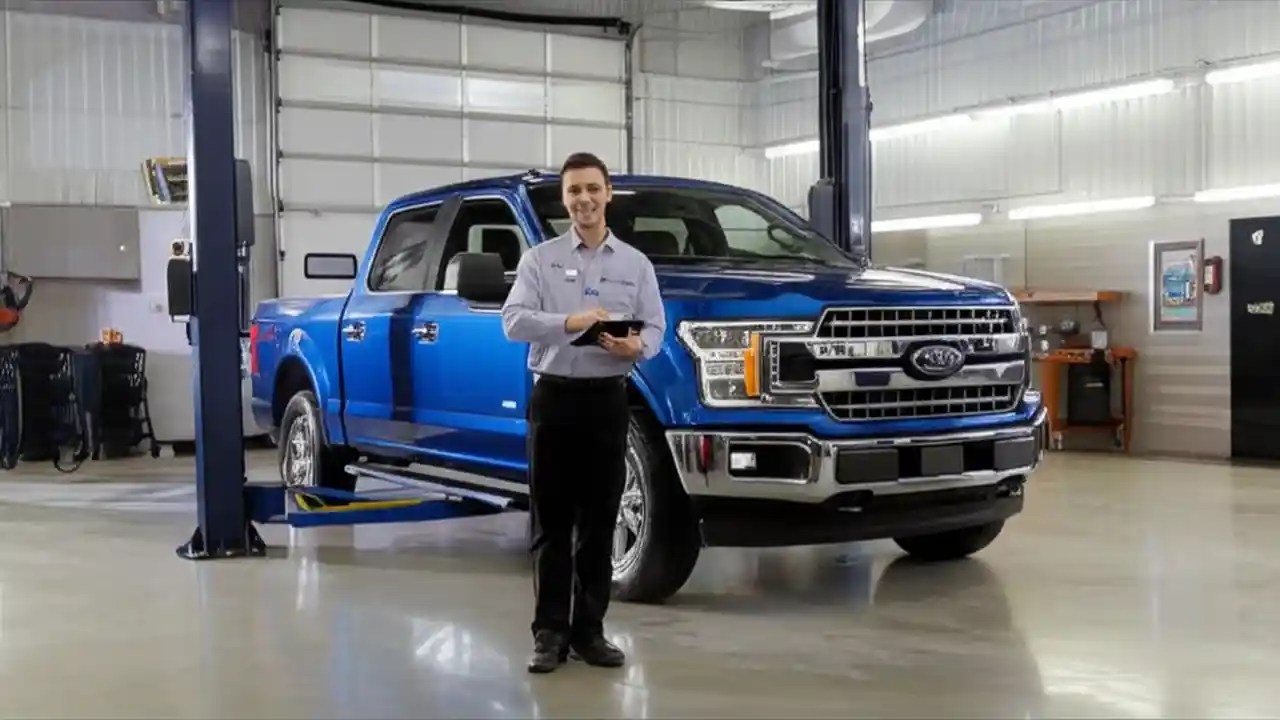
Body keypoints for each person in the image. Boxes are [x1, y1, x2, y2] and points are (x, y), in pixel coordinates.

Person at [500, 152, 665, 674]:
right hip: (554, 398)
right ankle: (549, 634)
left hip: (607, 400)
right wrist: (572, 320)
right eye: (574, 191)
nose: (584, 200)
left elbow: (657, 329)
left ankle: (590, 631)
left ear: (608, 193)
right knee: (551, 524)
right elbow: (514, 322)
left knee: (598, 521)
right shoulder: (539, 260)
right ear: (564, 199)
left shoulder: (635, 264)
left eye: (592, 189)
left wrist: (636, 348)